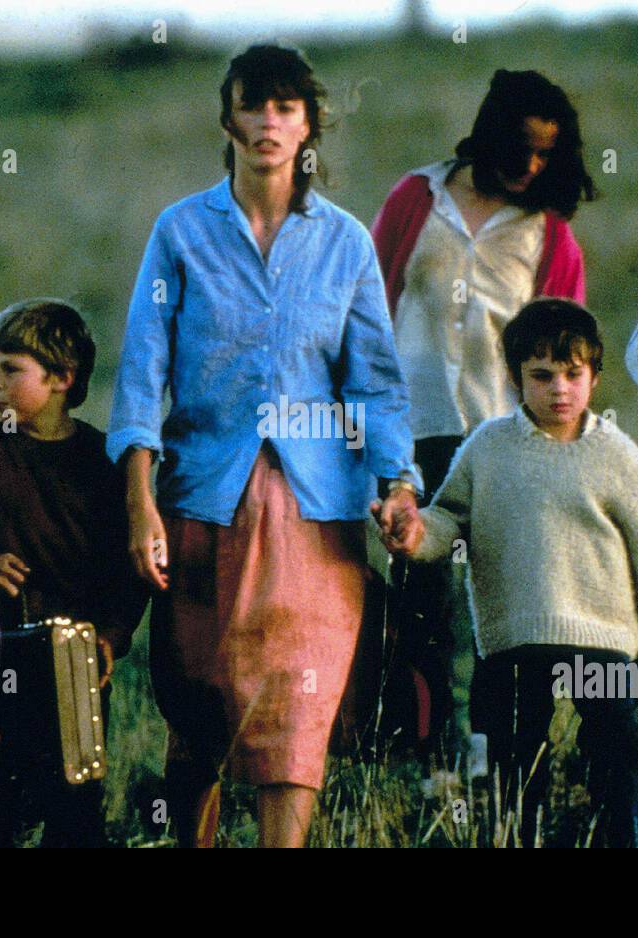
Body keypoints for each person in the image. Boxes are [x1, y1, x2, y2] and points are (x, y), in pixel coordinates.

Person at [108, 43, 418, 848]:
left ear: (310, 123)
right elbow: (142, 373)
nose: (270, 122)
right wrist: (140, 500)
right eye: (255, 104)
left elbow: (375, 382)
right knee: (200, 706)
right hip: (203, 502)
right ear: (228, 118)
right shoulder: (180, 232)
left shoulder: (345, 241)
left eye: (287, 107)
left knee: (297, 712)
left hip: (317, 512)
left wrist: (397, 482)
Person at [378, 298, 638, 847]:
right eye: (541, 375)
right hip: (513, 644)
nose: (559, 390)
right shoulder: (487, 448)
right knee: (515, 777)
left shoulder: (617, 456)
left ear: (595, 376)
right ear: (516, 377)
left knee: (617, 769)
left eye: (574, 375)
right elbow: (449, 519)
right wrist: (414, 533)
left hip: (604, 645)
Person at [366, 69, 591, 765]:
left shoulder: (549, 237)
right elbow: (366, 306)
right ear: (490, 135)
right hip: (415, 433)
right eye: (519, 146)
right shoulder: (417, 197)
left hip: (502, 441)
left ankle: (503, 756)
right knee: (421, 603)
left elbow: (565, 355)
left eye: (546, 154)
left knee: (501, 608)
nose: (529, 165)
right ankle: (424, 750)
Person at [0, 298, 148, 847]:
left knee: (75, 805)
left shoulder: (102, 462)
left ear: (64, 377)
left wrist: (111, 635)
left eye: (11, 369)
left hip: (77, 664)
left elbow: (125, 568)